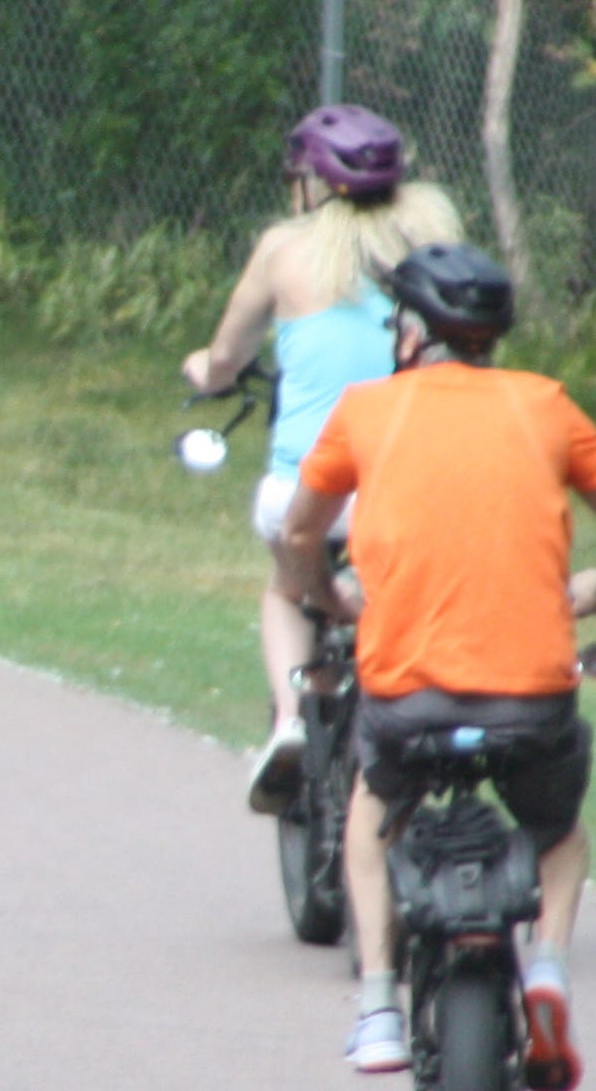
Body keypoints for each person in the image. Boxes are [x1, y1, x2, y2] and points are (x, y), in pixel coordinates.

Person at [277, 244, 596, 1086]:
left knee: (374, 819)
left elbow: (302, 534)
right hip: (531, 697)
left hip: (407, 695)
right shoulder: (547, 405)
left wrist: (334, 603)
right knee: (556, 831)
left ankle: (378, 1007)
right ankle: (548, 970)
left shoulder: (366, 411)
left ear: (413, 331)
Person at [179, 103, 472, 812]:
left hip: (313, 492)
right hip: (416, 492)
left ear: (312, 183)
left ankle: (289, 724)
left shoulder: (286, 252)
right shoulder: (434, 250)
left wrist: (203, 372)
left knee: (287, 590)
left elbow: (226, 359)